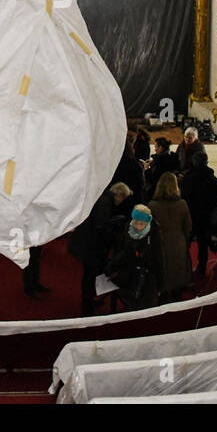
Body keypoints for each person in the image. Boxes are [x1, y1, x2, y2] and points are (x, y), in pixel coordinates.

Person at [69, 182, 131, 315]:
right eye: (123, 198)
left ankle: (90, 300)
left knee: (89, 276)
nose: (122, 202)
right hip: (90, 246)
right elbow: (101, 227)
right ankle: (87, 308)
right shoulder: (105, 203)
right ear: (119, 195)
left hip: (88, 244)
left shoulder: (103, 199)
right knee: (89, 277)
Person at [105, 205, 164, 310]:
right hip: (130, 273)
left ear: (147, 222)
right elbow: (122, 250)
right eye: (136, 222)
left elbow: (158, 259)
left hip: (148, 276)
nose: (138, 226)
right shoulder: (128, 228)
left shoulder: (154, 233)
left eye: (141, 223)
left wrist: (160, 285)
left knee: (145, 306)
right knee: (131, 303)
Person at [147, 172, 192, 302]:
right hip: (178, 242)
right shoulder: (182, 204)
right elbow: (188, 226)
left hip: (160, 243)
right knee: (178, 272)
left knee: (163, 272)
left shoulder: (152, 205)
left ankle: (163, 299)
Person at [180, 150, 217, 282]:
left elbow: (183, 198)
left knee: (185, 244)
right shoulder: (214, 181)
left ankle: (185, 269)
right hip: (206, 218)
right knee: (203, 245)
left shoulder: (188, 178)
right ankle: (202, 269)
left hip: (191, 216)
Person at [143, 136, 179, 203]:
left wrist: (146, 169)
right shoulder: (173, 157)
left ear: (161, 147)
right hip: (171, 192)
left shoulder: (159, 162)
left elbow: (152, 179)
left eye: (156, 147)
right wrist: (153, 162)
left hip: (157, 193)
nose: (155, 149)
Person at [113, 131, 145, 201]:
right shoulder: (135, 165)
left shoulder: (114, 164)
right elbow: (140, 185)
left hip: (116, 199)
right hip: (132, 199)